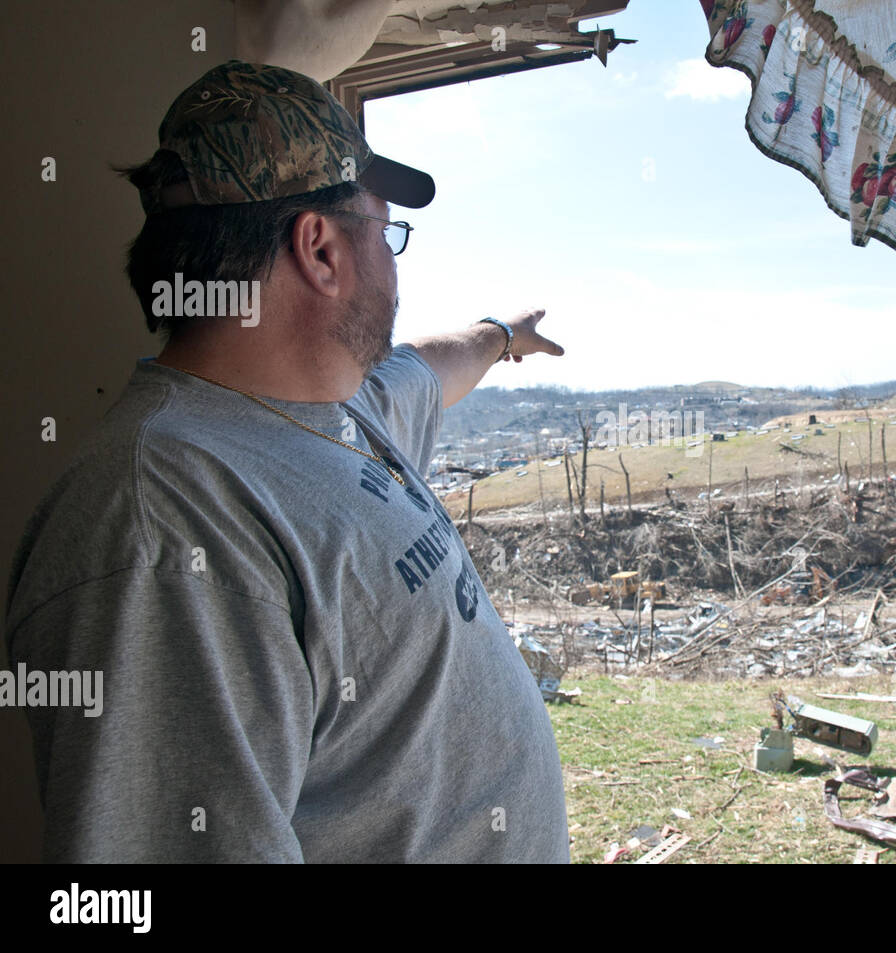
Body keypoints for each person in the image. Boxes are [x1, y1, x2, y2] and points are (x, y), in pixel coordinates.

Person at [4, 59, 568, 862]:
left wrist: (502, 336)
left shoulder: (340, 411)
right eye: (386, 232)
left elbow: (429, 367)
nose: (397, 267)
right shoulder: (164, 522)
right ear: (321, 249)